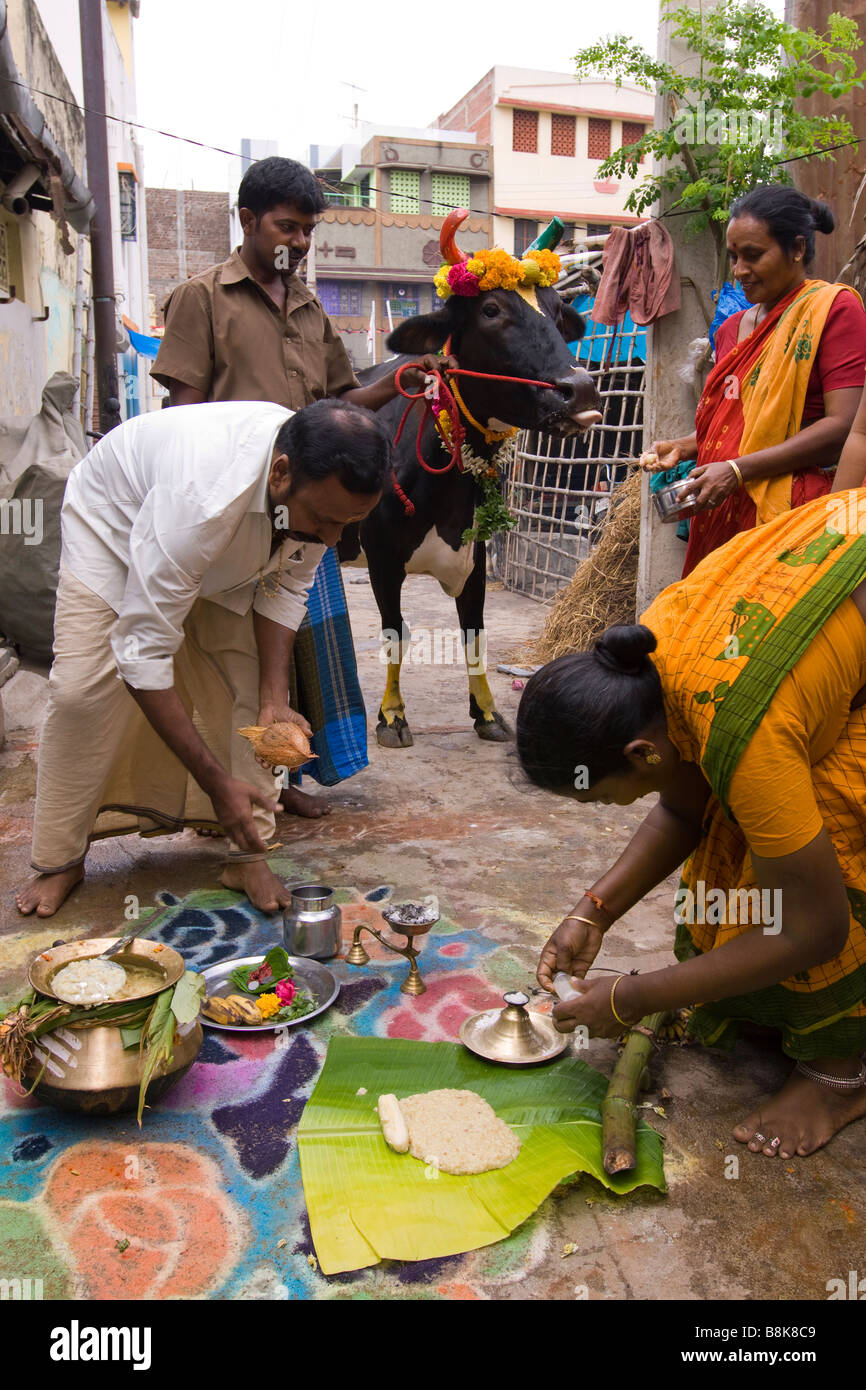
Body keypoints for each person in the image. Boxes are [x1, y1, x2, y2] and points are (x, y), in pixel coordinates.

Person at [516, 490, 866, 1160]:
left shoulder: (747, 735)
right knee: (751, 823)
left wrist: (631, 997)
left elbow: (818, 930)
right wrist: (594, 912)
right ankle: (792, 1007)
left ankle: (840, 1075)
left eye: (600, 798)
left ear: (640, 754)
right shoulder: (654, 664)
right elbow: (685, 803)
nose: (609, 810)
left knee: (825, 832)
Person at [151, 156, 447, 818]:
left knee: (298, 658)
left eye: (308, 231)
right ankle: (233, 795)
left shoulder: (311, 308)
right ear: (248, 220)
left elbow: (344, 399)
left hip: (311, 509)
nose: (299, 244)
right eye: (287, 227)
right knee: (237, 663)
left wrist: (403, 377)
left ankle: (284, 785)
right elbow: (184, 419)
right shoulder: (202, 299)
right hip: (238, 509)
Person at [14, 398, 389, 919]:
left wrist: (274, 700)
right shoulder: (199, 501)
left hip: (222, 543)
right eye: (326, 521)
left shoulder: (317, 487)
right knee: (82, 691)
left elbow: (284, 590)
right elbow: (143, 656)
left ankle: (248, 856)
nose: (334, 539)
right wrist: (216, 784)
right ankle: (61, 860)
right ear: (280, 473)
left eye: (349, 523)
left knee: (249, 682)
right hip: (115, 527)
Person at [650, 186, 866, 577]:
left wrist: (736, 470)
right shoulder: (731, 329)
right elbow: (747, 423)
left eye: (753, 255)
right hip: (723, 512)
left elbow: (843, 426)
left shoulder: (832, 310)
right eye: (734, 257)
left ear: (797, 248)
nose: (739, 271)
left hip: (789, 514)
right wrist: (685, 447)